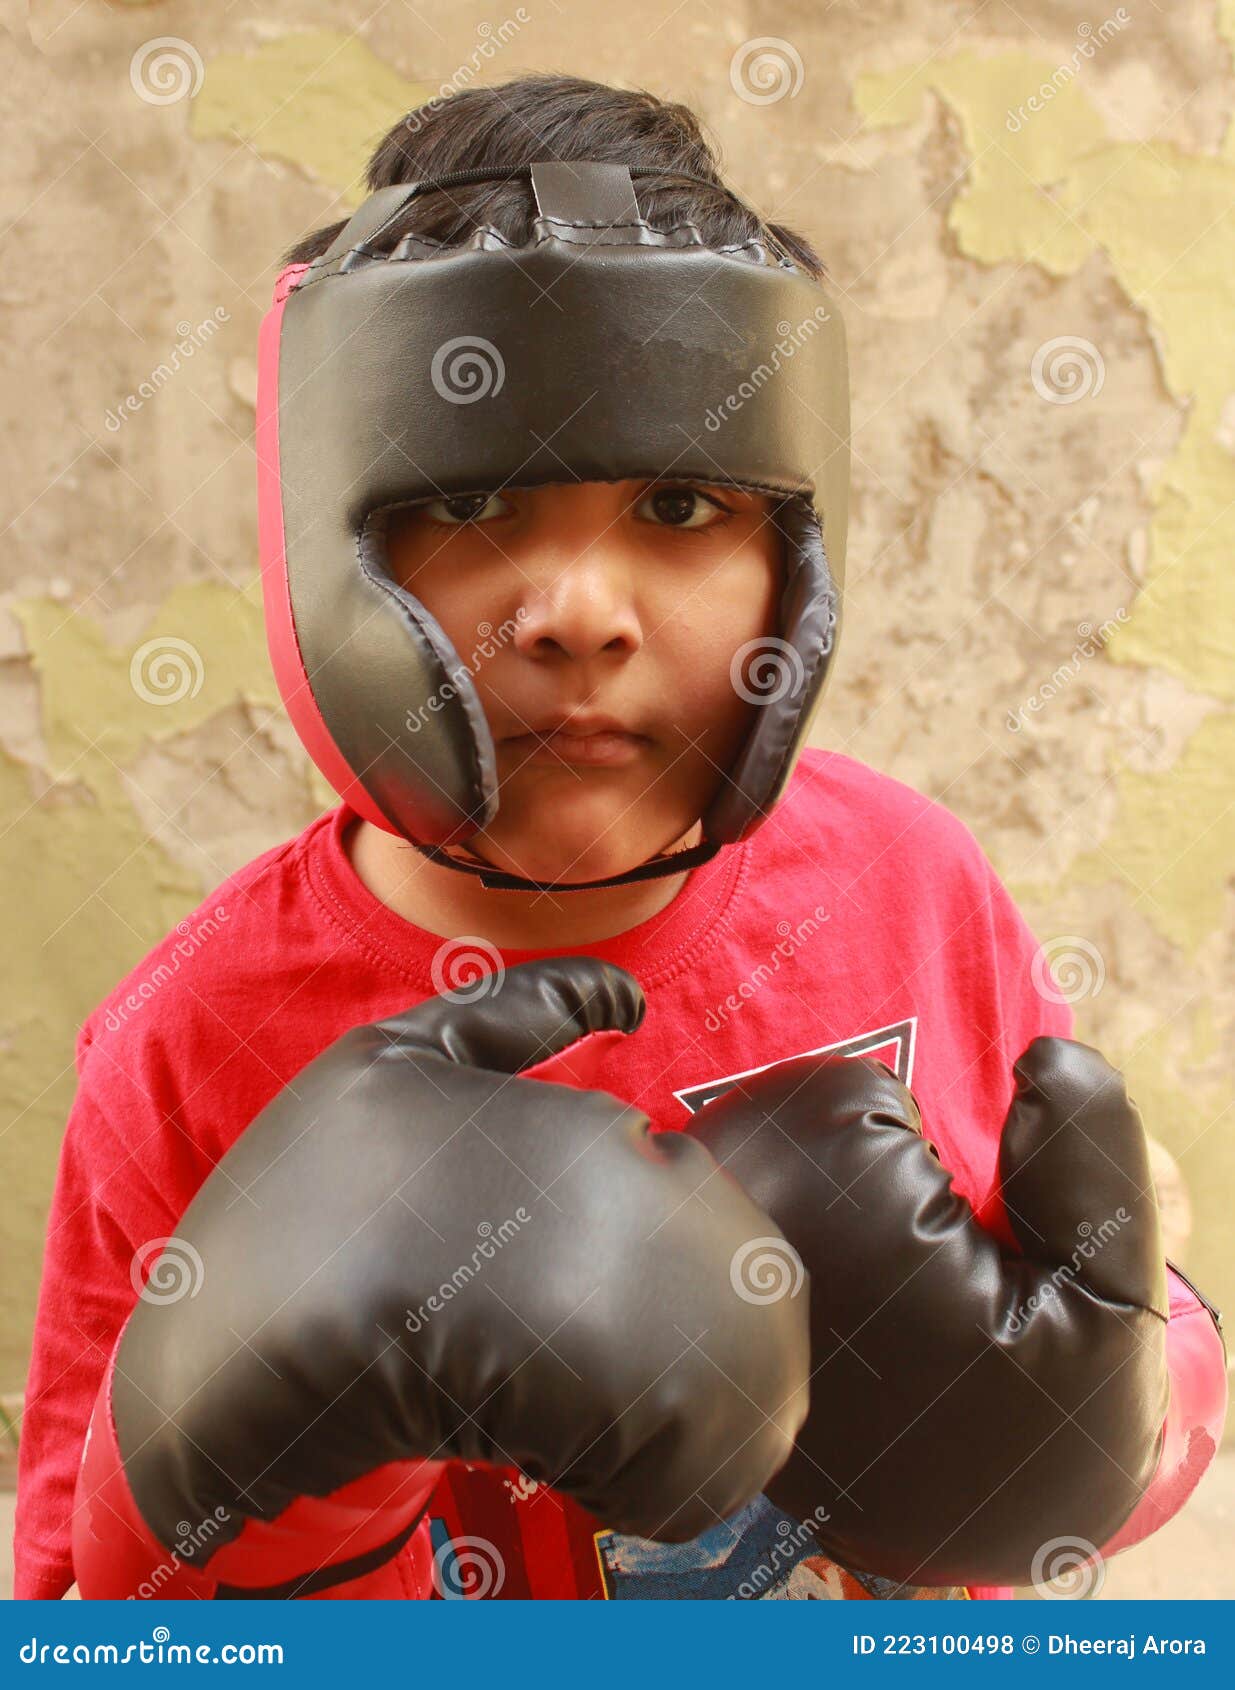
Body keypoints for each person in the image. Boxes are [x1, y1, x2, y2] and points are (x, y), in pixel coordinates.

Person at [15, 74, 1225, 1604]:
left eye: (675, 498)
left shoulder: (909, 882)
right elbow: (83, 1616)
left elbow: (1120, 1309)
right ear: (322, 536)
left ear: (796, 545)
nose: (581, 612)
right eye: (467, 498)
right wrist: (248, 1472)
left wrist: (1109, 1424)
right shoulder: (187, 1043)